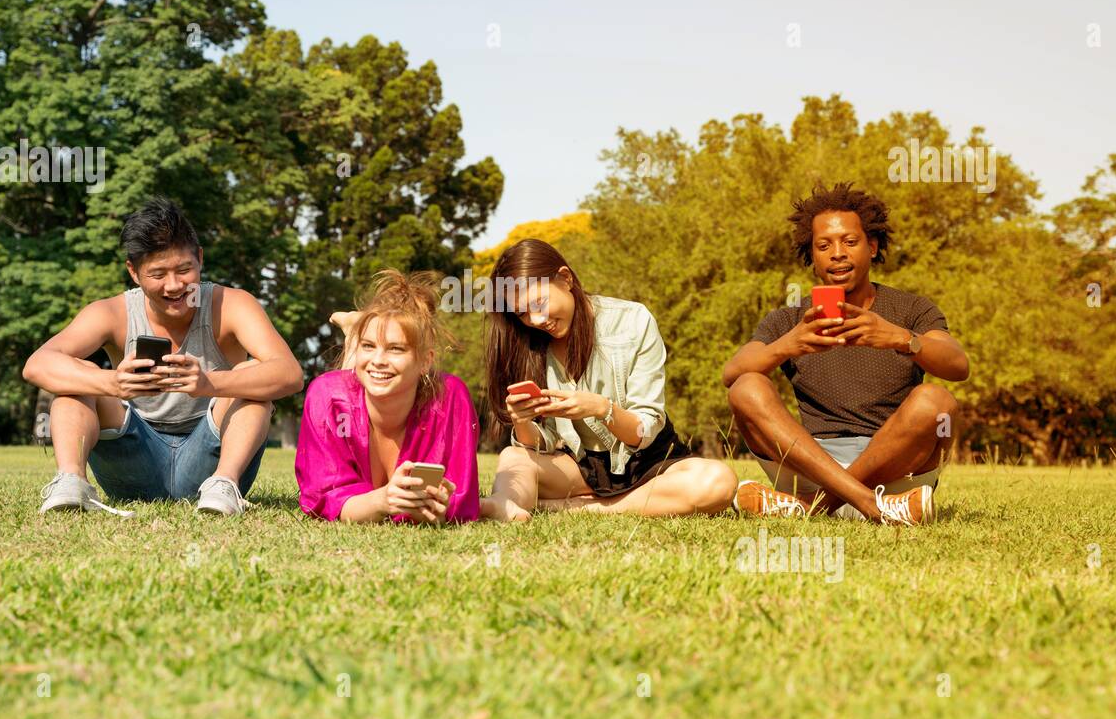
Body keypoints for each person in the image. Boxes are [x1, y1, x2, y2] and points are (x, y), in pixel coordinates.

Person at [23, 198, 304, 516]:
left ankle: (224, 484)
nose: (174, 286)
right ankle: (71, 483)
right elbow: (38, 364)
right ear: (134, 271)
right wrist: (112, 382)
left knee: (254, 376)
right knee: (77, 377)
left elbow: (289, 373)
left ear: (199, 258)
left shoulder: (232, 305)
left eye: (184, 270)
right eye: (157, 274)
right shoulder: (111, 313)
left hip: (211, 466)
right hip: (132, 466)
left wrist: (210, 382)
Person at [721, 182, 969, 525]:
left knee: (937, 403)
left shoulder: (911, 308)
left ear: (872, 246)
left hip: (896, 471)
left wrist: (899, 338)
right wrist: (788, 345)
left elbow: (958, 365)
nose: (837, 252)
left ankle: (812, 507)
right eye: (824, 245)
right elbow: (731, 374)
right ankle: (871, 505)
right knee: (747, 386)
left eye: (849, 242)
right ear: (813, 256)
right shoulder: (791, 319)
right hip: (812, 465)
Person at [478, 239, 737, 521]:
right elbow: (540, 444)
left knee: (717, 481)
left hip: (648, 462)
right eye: (522, 313)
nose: (536, 320)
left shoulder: (633, 320)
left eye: (538, 303)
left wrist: (602, 409)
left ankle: (575, 507)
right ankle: (504, 506)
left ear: (565, 279)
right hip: (581, 467)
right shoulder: (528, 344)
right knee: (513, 459)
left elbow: (645, 428)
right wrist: (522, 419)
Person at [296, 270, 480, 525]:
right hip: (346, 394)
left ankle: (359, 333)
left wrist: (435, 508)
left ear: (426, 361)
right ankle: (355, 336)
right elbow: (323, 500)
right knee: (354, 382)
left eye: (396, 348)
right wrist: (383, 501)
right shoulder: (325, 396)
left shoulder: (452, 396)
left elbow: (461, 498)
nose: (379, 360)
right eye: (368, 345)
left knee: (375, 374)